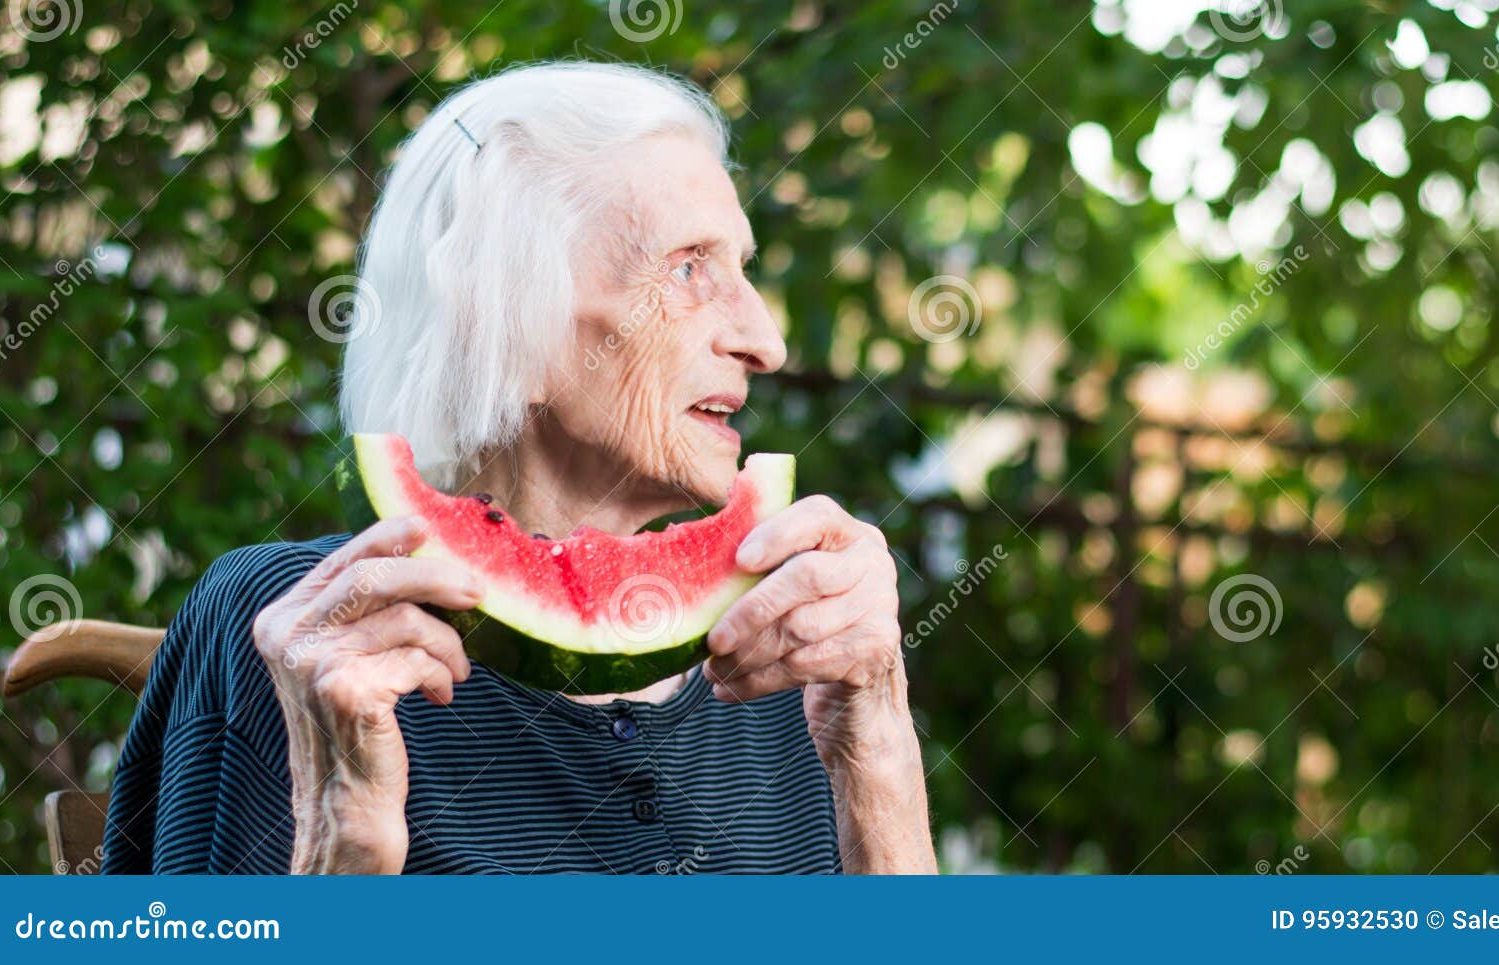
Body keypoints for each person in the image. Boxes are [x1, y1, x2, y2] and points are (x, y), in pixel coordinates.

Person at [102, 61, 935, 874]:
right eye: (689, 267)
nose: (765, 340)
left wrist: (877, 751)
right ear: (511, 318)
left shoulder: (786, 652)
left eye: (742, 269)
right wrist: (343, 843)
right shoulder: (299, 634)